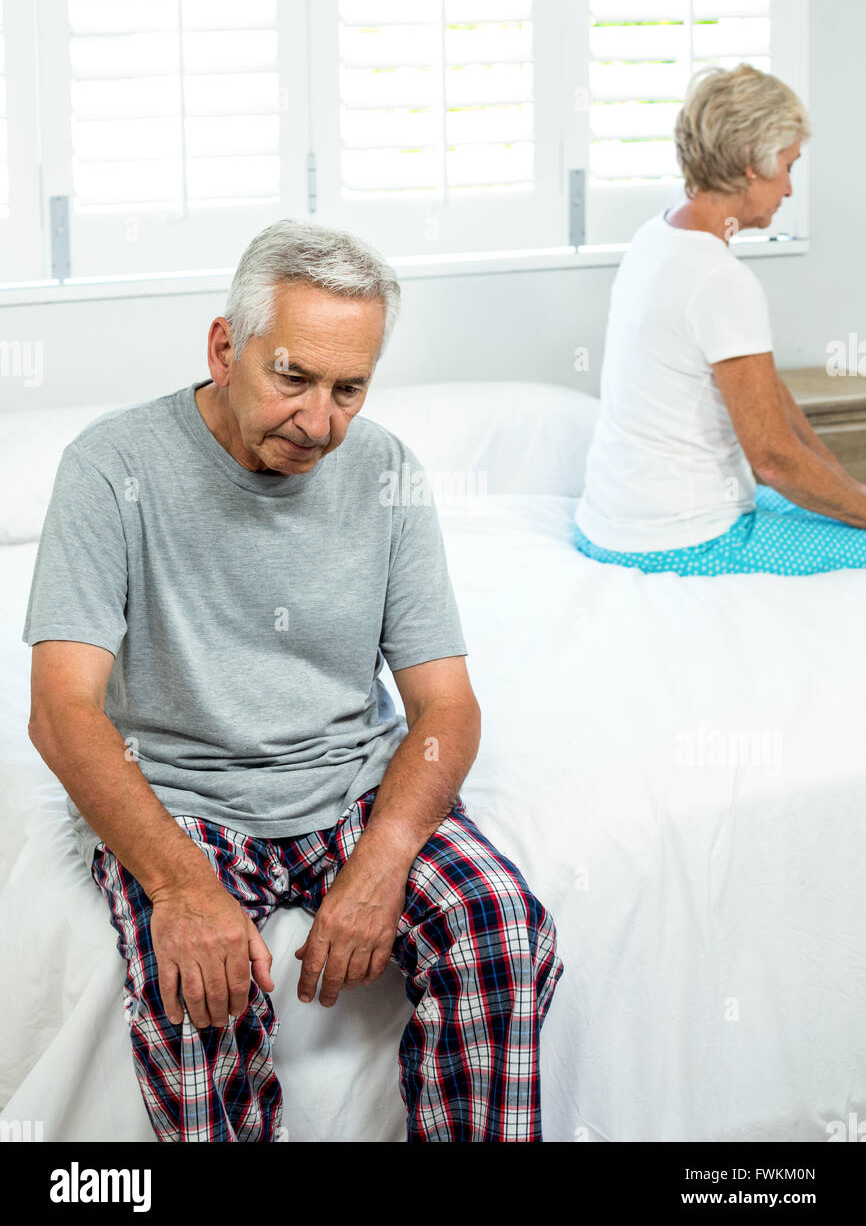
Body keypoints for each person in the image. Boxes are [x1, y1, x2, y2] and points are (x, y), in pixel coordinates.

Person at [23, 219, 563, 1143]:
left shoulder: (386, 470)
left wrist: (387, 855)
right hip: (185, 797)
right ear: (225, 347)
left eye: (349, 388)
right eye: (293, 379)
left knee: (503, 930)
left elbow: (445, 704)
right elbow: (61, 712)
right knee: (196, 1001)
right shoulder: (110, 467)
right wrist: (182, 887)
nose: (320, 423)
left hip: (351, 785)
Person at [574, 62, 866, 576]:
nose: (790, 190)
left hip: (609, 525)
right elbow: (773, 459)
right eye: (788, 166)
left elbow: (767, 394)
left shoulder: (658, 238)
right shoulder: (720, 281)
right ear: (752, 164)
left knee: (831, 505)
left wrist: (848, 487)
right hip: (678, 541)